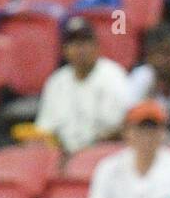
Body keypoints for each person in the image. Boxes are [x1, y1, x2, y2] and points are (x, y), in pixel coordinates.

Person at [31, 16, 128, 155]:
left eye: (85, 42)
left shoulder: (113, 76)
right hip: (62, 155)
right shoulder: (56, 81)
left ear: (96, 46)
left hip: (103, 153)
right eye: (73, 44)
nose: (80, 49)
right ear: (64, 50)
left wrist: (83, 155)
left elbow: (120, 128)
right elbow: (45, 129)